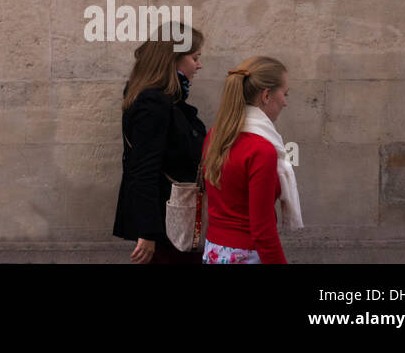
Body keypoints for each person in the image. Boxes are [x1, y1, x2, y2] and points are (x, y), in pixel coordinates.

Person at [113, 26, 206, 264]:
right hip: (167, 229)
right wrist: (148, 233)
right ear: (171, 59)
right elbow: (143, 170)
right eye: (194, 58)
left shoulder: (169, 102)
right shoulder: (153, 104)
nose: (199, 65)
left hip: (174, 225)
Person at [199, 56, 303, 264]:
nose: (285, 102)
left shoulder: (215, 135)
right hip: (245, 255)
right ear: (266, 95)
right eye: (285, 93)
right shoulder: (262, 150)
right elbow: (263, 231)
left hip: (213, 251)